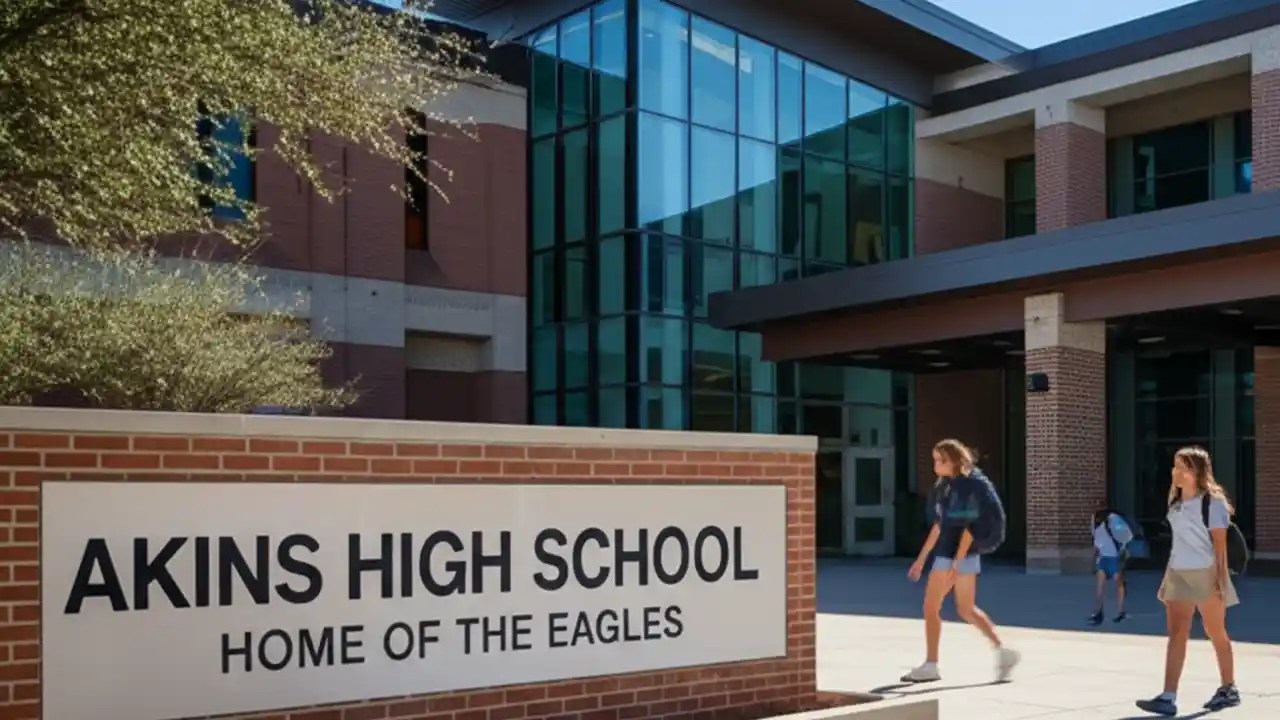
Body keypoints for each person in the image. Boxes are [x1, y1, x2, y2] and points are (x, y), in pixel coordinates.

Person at [901, 439, 1020, 684]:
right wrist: (920, 560)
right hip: (958, 554)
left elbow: (970, 526)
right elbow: (939, 525)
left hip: (955, 554)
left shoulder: (968, 487)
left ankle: (931, 664)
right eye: (934, 459)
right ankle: (1003, 651)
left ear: (954, 461)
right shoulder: (947, 485)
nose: (936, 464)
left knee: (931, 608)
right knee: (966, 609)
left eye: (940, 460)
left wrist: (956, 561)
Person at [1135, 446, 1241, 716]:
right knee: (1176, 634)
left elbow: (1220, 547)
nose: (1177, 472)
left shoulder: (1212, 503)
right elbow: (1178, 543)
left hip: (1206, 572)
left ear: (1198, 471)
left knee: (1215, 631)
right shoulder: (1176, 502)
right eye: (1175, 466)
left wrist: (1221, 581)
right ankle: (1168, 697)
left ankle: (1228, 688)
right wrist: (1167, 577)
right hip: (1178, 572)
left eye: (1183, 467)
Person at [1089, 503, 1130, 625]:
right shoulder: (1097, 519)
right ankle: (1107, 611)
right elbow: (1125, 536)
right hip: (1108, 558)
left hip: (1110, 557)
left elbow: (1124, 534)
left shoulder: (1109, 519)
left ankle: (1111, 611)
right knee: (1111, 586)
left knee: (1112, 585)